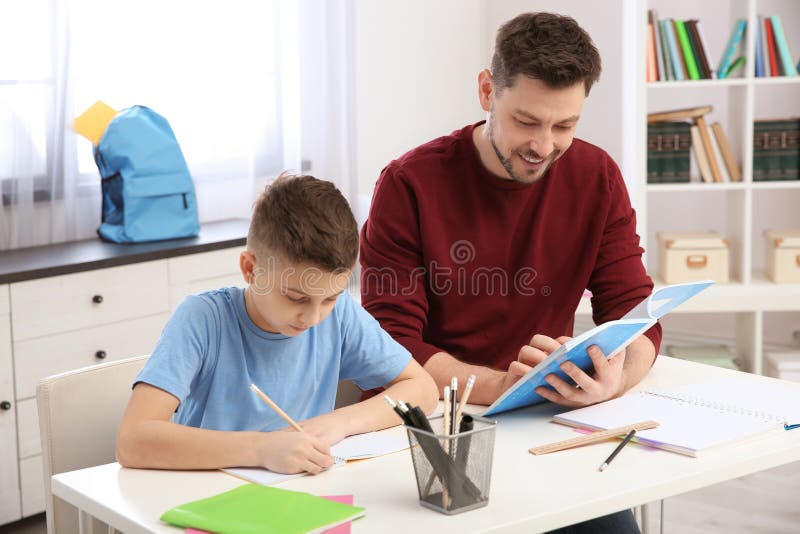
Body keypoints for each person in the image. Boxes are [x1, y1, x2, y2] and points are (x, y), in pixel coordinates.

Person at [360, 12, 659, 533]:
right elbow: (391, 347)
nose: (544, 145)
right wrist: (506, 387)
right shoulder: (408, 184)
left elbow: (638, 313)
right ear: (486, 91)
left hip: (547, 424)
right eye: (527, 120)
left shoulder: (597, 177)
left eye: (564, 125)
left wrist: (614, 381)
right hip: (439, 428)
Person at [116, 173, 438, 475]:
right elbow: (132, 441)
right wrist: (261, 449)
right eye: (296, 298)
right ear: (250, 268)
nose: (313, 318)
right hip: (209, 498)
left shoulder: (340, 317)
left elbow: (423, 389)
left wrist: (339, 423)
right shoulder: (202, 319)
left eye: (330, 298)